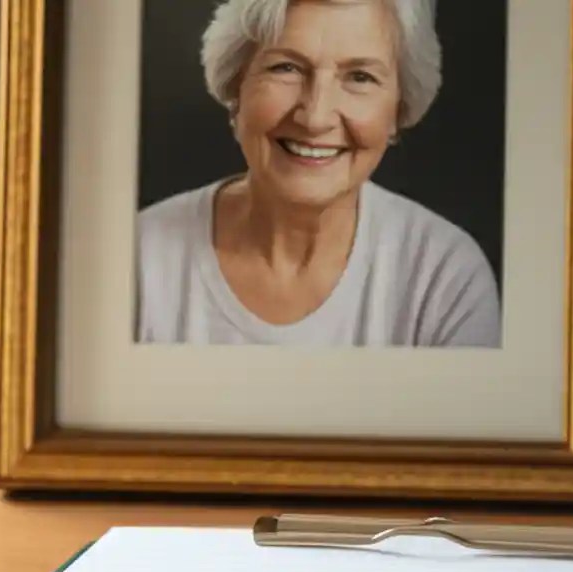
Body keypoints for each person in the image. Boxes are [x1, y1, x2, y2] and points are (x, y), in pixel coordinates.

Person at [136, 0, 501, 347]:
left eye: (360, 77)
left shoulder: (445, 276)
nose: (315, 117)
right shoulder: (137, 257)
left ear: (398, 111)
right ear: (236, 90)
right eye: (286, 68)